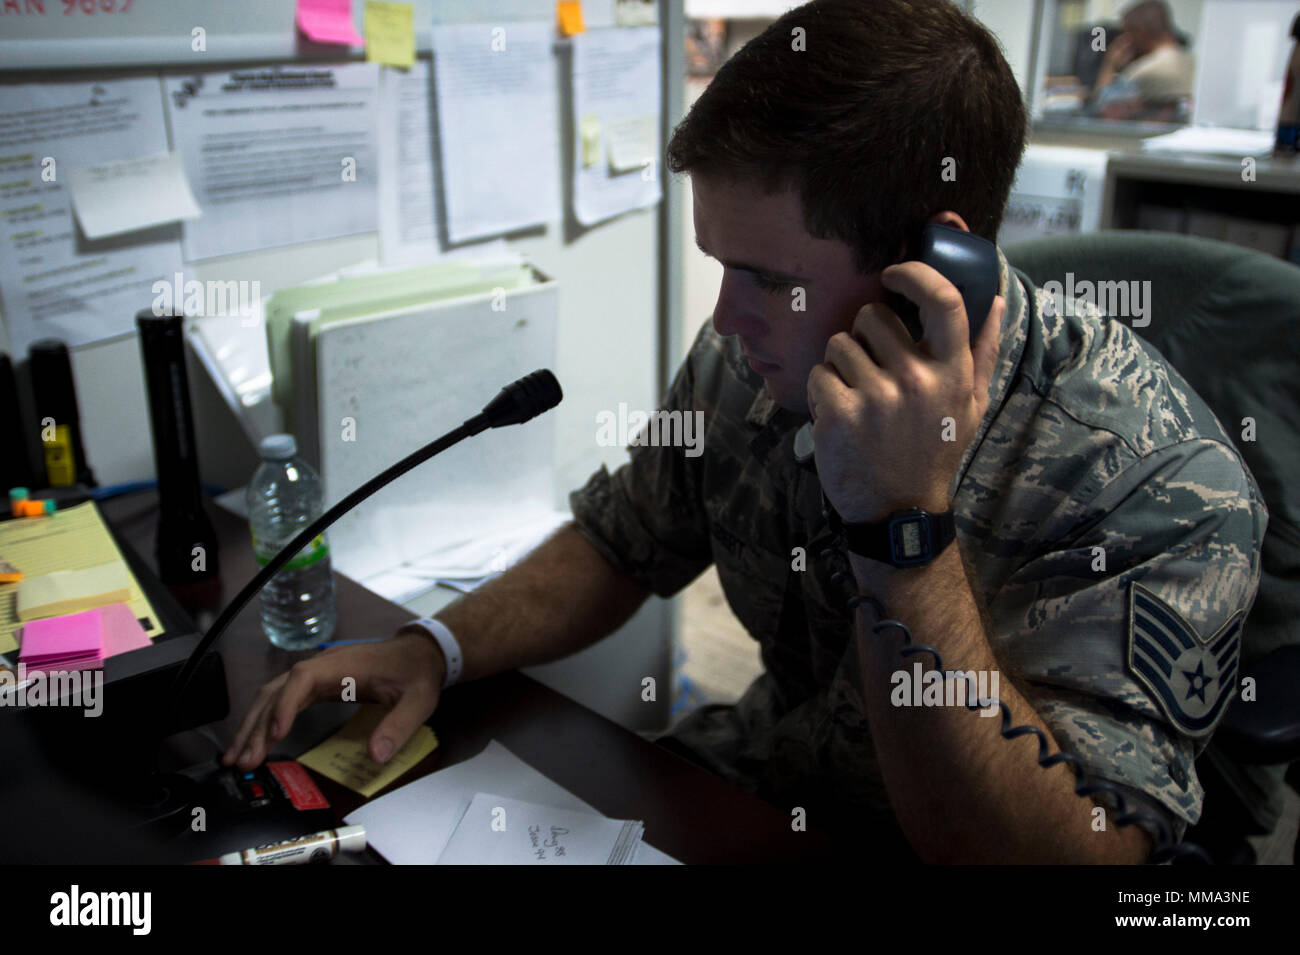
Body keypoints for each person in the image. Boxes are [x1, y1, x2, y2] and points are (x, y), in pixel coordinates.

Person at [223, 0, 1264, 863]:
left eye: (766, 278)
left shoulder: (1161, 482)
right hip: (773, 780)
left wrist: (902, 527)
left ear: (931, 271)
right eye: (722, 266)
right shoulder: (755, 360)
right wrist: (434, 649)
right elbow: (623, 539)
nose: (724, 320)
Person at [1091, 0, 1195, 121]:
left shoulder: (1145, 71)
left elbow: (1101, 106)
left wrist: (1110, 64)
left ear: (1139, 32)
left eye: (1127, 33)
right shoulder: (1191, 62)